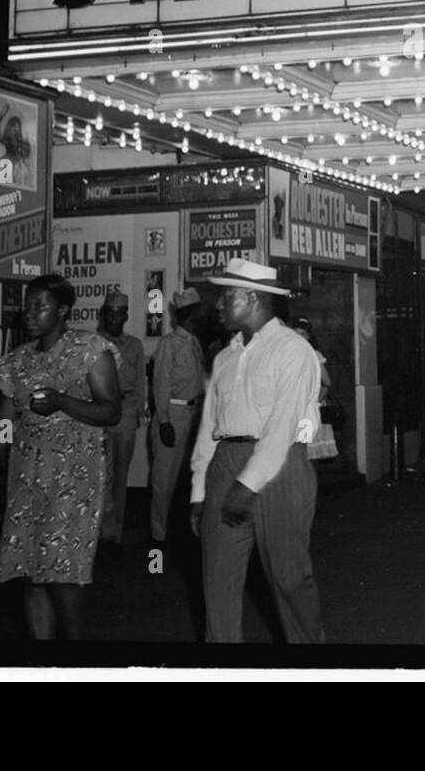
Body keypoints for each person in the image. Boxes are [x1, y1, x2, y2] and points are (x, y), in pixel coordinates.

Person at [0, 274, 121, 640]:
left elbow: (110, 411)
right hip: (27, 478)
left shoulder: (90, 349)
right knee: (30, 574)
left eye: (40, 306)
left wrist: (61, 401)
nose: (30, 313)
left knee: (61, 574)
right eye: (28, 306)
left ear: (63, 311)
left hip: (74, 478)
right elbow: (1, 430)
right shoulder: (18, 362)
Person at [189, 259, 325, 643]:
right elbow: (207, 431)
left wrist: (246, 485)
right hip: (225, 464)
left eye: (226, 296)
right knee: (217, 582)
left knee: (289, 579)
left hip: (281, 469)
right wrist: (200, 491)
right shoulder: (224, 357)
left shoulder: (293, 350)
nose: (218, 305)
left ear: (252, 299)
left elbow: (282, 428)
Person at [150, 287, 206, 544]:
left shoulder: (194, 343)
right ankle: (158, 537)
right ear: (184, 316)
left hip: (192, 414)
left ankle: (178, 530)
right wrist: (164, 421)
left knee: (186, 476)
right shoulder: (168, 344)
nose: (198, 318)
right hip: (173, 414)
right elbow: (161, 383)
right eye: (194, 313)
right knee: (164, 479)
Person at [97, 290, 146, 552]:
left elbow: (140, 383)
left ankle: (114, 534)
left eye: (120, 313)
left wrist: (138, 412)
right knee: (101, 475)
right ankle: (100, 530)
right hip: (101, 411)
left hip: (126, 412)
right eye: (110, 313)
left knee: (120, 476)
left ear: (126, 316)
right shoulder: (94, 342)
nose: (115, 318)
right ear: (104, 314)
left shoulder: (135, 345)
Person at [293, 318, 339, 462]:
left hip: (307, 412)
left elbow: (327, 383)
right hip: (291, 409)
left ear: (308, 337)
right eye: (296, 334)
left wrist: (315, 401)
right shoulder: (287, 354)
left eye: (303, 334)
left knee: (305, 450)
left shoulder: (314, 354)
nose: (299, 337)